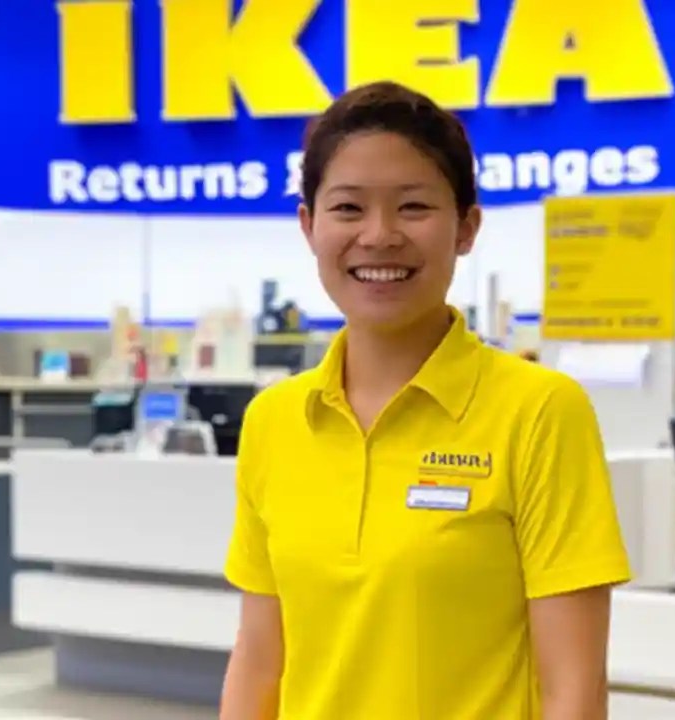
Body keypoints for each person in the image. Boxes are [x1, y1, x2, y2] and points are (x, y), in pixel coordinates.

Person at [220, 81, 631, 720]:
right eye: (348, 209)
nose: (379, 236)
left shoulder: (540, 410)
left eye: (414, 207)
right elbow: (259, 663)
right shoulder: (275, 421)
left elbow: (572, 689)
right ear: (308, 225)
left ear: (466, 227)